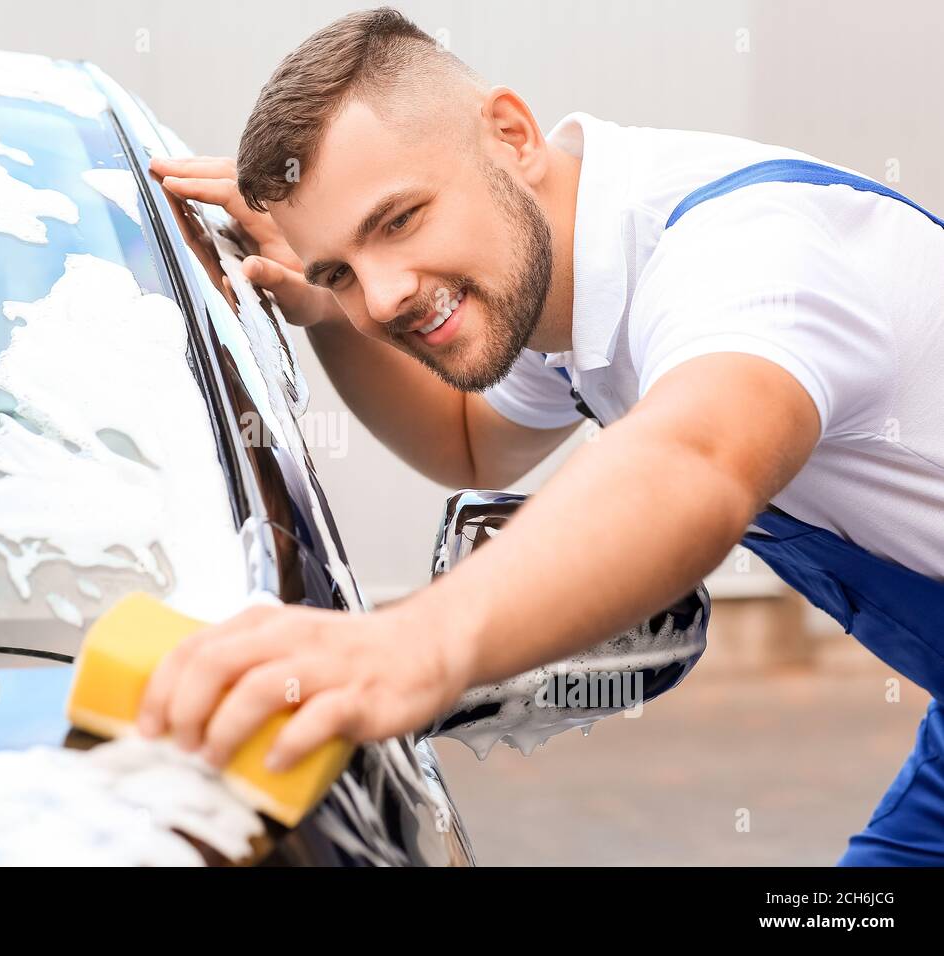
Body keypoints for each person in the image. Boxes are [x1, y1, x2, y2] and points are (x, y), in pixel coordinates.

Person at [138, 7, 944, 864]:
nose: (381, 299)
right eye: (341, 269)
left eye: (398, 220)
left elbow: (695, 457)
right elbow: (471, 442)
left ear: (512, 135)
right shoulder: (549, 274)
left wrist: (405, 647)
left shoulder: (747, 253)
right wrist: (321, 312)